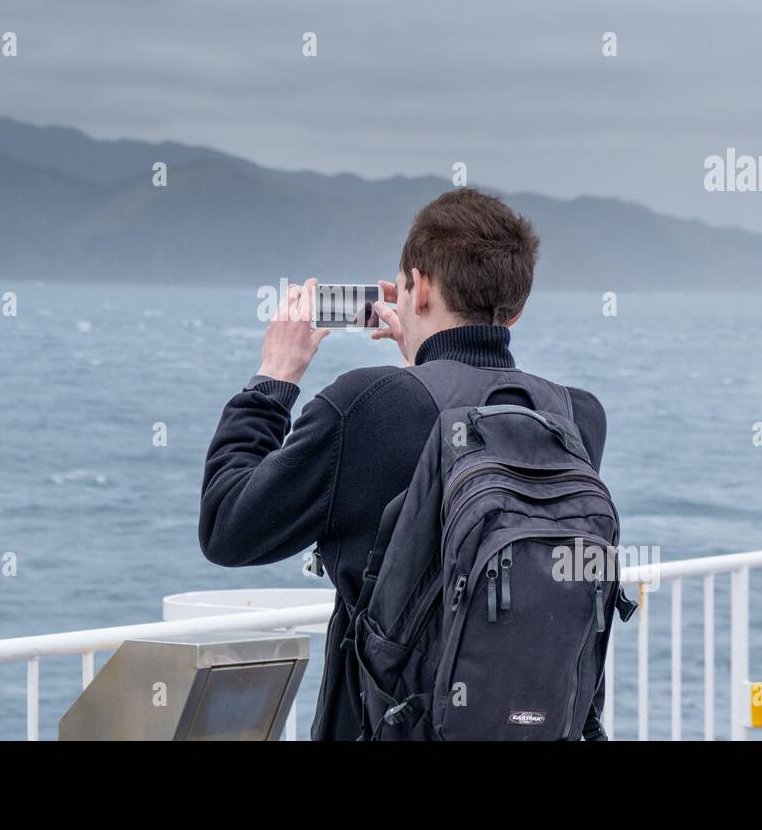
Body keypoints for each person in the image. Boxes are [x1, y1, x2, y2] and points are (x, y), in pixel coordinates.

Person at [198, 187, 609, 740]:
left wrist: (274, 379)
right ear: (517, 309)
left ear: (419, 290)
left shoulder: (365, 404)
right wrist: (420, 365)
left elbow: (227, 529)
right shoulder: (575, 415)